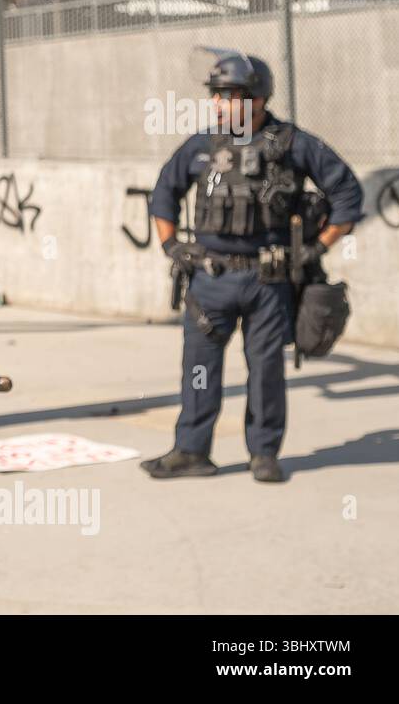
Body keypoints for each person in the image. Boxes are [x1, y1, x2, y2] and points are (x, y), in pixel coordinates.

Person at [143, 49, 363, 483]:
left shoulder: (294, 144)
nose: (222, 104)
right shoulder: (202, 146)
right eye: (218, 96)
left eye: (232, 96)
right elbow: (163, 193)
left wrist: (318, 248)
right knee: (200, 368)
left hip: (269, 278)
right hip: (210, 278)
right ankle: (191, 450)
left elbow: (348, 194)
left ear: (259, 99)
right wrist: (171, 246)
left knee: (265, 370)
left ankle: (263, 453)